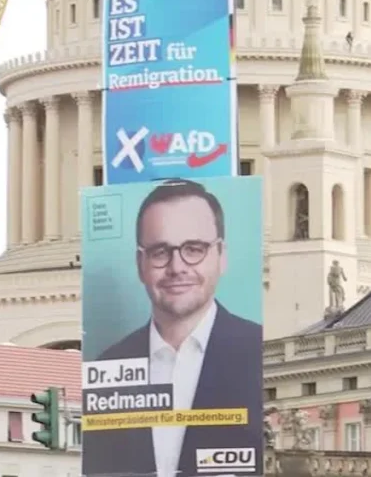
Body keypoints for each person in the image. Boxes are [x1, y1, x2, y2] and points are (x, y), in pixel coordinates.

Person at [82, 179, 263, 477]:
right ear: (141, 263)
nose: (177, 267)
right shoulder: (107, 368)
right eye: (160, 252)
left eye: (194, 249)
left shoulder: (259, 353)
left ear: (221, 255)